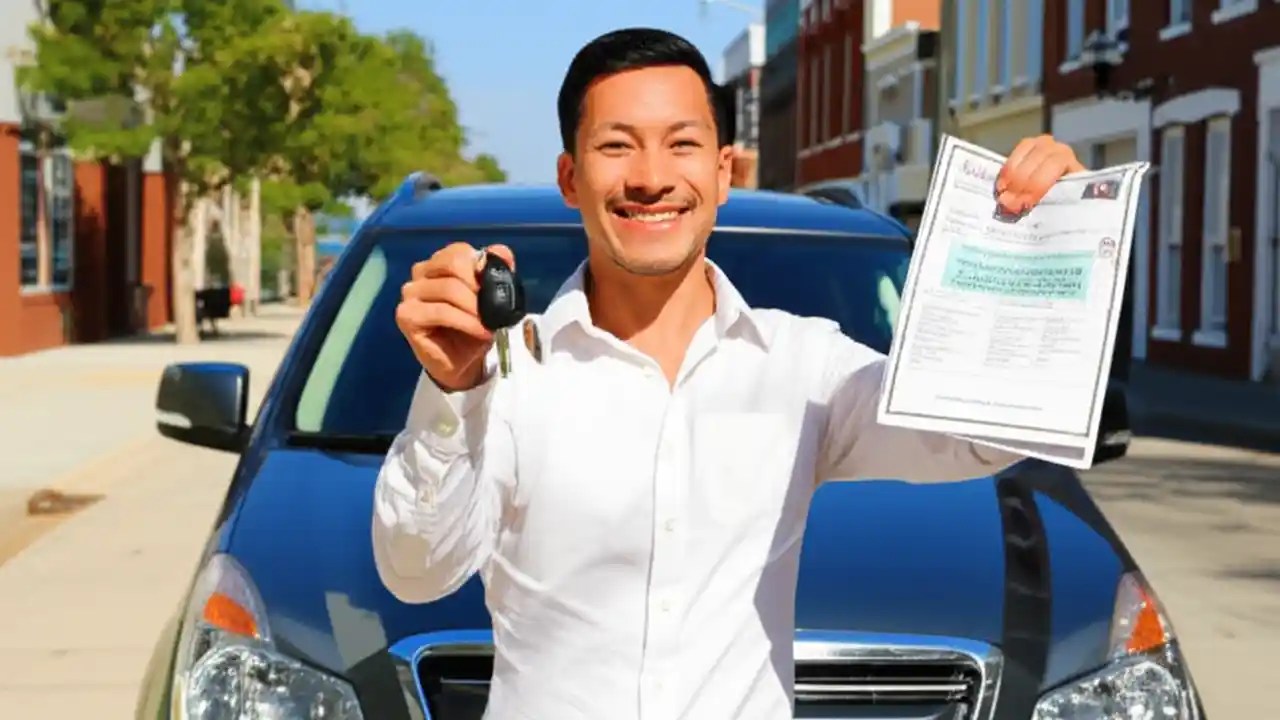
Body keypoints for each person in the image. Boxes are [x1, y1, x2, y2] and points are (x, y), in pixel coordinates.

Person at [373, 27, 1087, 720]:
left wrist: (1053, 246)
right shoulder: (507, 374)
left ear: (722, 174)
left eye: (682, 144)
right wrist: (451, 389)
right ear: (570, 176)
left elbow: (979, 434)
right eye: (616, 146)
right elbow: (416, 570)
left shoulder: (805, 365)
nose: (651, 179)